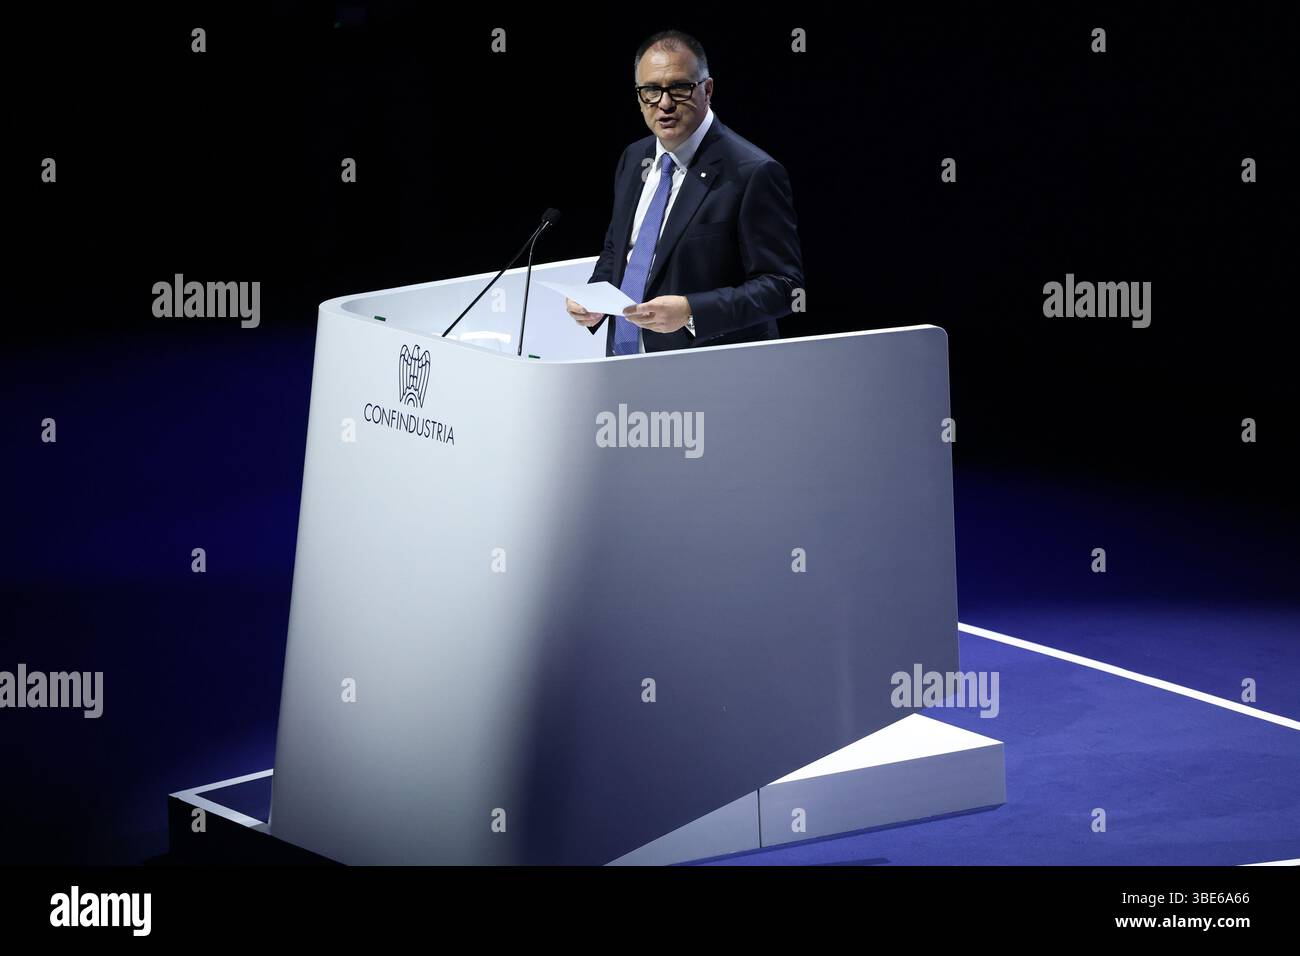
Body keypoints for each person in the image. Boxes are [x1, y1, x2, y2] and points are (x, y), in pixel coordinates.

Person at [566, 29, 804, 355]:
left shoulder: (753, 173)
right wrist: (592, 297)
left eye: (679, 88)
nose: (664, 104)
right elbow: (617, 252)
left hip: (711, 370)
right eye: (651, 90)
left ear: (707, 89)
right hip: (624, 359)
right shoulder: (634, 158)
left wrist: (692, 311)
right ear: (639, 96)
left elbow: (783, 288)